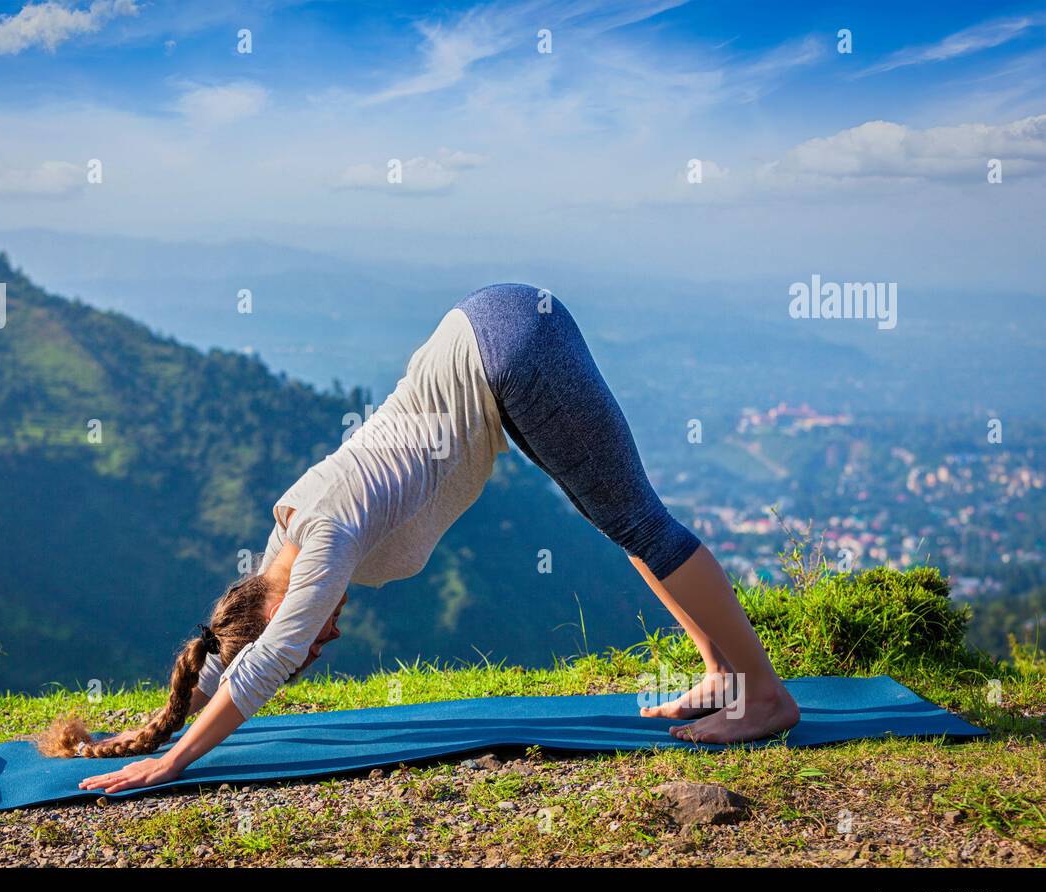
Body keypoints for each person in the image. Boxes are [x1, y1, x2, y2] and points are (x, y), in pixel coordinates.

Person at [42, 284, 800, 794]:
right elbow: (232, 648)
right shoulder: (289, 528)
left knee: (638, 519)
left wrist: (171, 761)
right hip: (490, 329)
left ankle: (764, 695)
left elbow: (265, 657)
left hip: (511, 357)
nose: (326, 634)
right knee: (620, 516)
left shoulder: (324, 545)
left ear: (279, 614)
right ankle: (721, 674)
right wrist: (161, 718)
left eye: (314, 639)